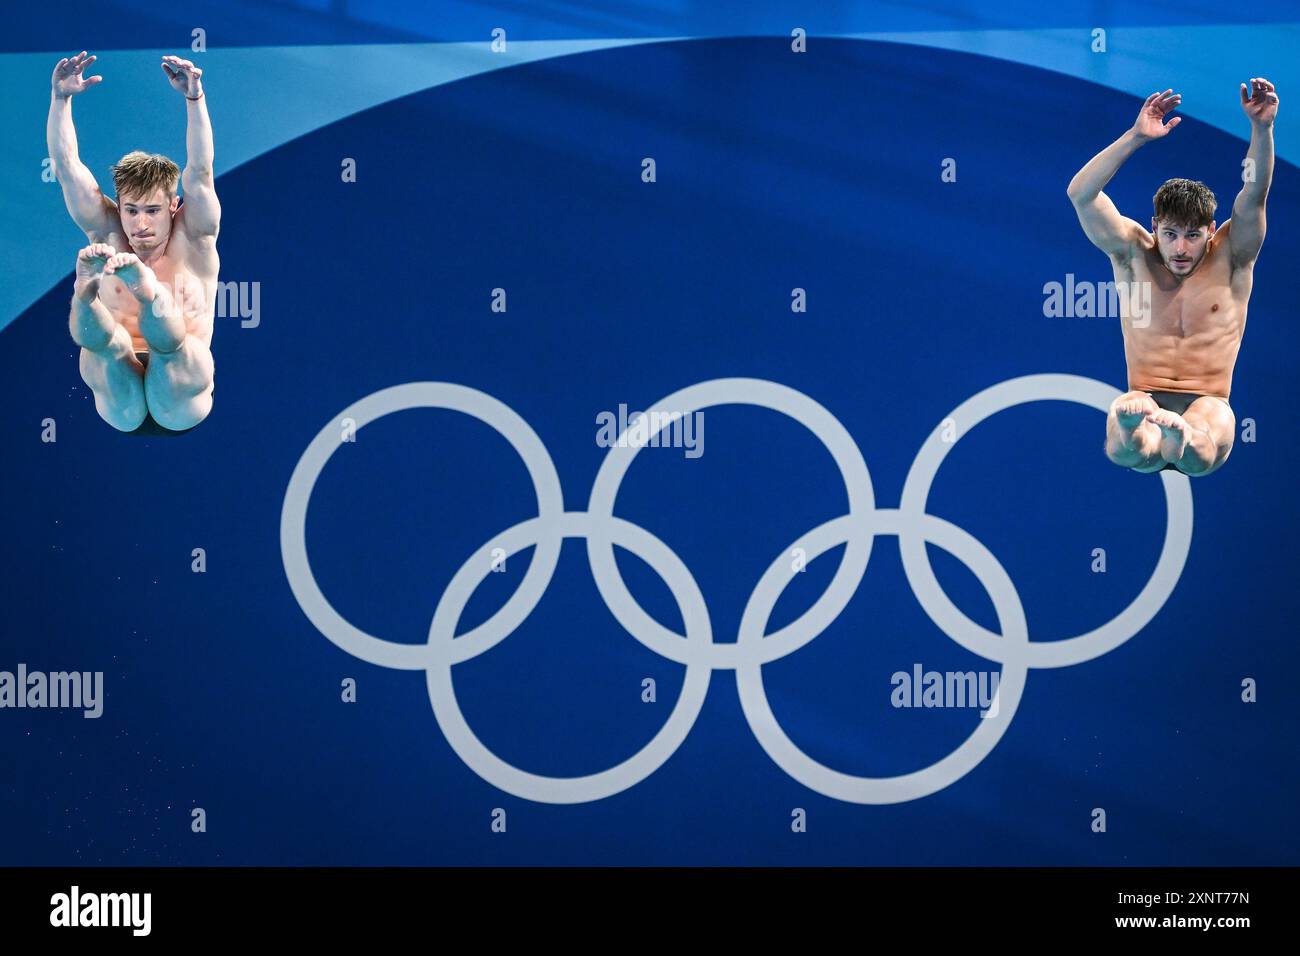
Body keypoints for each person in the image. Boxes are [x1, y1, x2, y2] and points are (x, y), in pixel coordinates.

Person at [1067, 79, 1278, 476]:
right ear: (1155, 227)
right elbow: (1081, 194)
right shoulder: (1133, 253)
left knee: (1206, 437)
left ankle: (1183, 438)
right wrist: (1135, 136)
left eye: (1193, 236)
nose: (1181, 249)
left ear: (1211, 230)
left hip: (1209, 399)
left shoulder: (1233, 256)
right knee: (1125, 445)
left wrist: (1262, 128)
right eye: (1171, 235)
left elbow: (1256, 192)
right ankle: (1144, 433)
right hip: (1145, 396)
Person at [47, 51, 220, 435]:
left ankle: (151, 296)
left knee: (173, 348)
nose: (139, 225)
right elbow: (67, 168)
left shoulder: (194, 236)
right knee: (108, 346)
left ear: (173, 206)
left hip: (180, 399)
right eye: (131, 211)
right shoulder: (107, 232)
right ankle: (86, 294)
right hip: (119, 399)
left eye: (153, 211)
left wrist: (195, 98)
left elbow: (202, 172)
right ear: (119, 206)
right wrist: (61, 101)